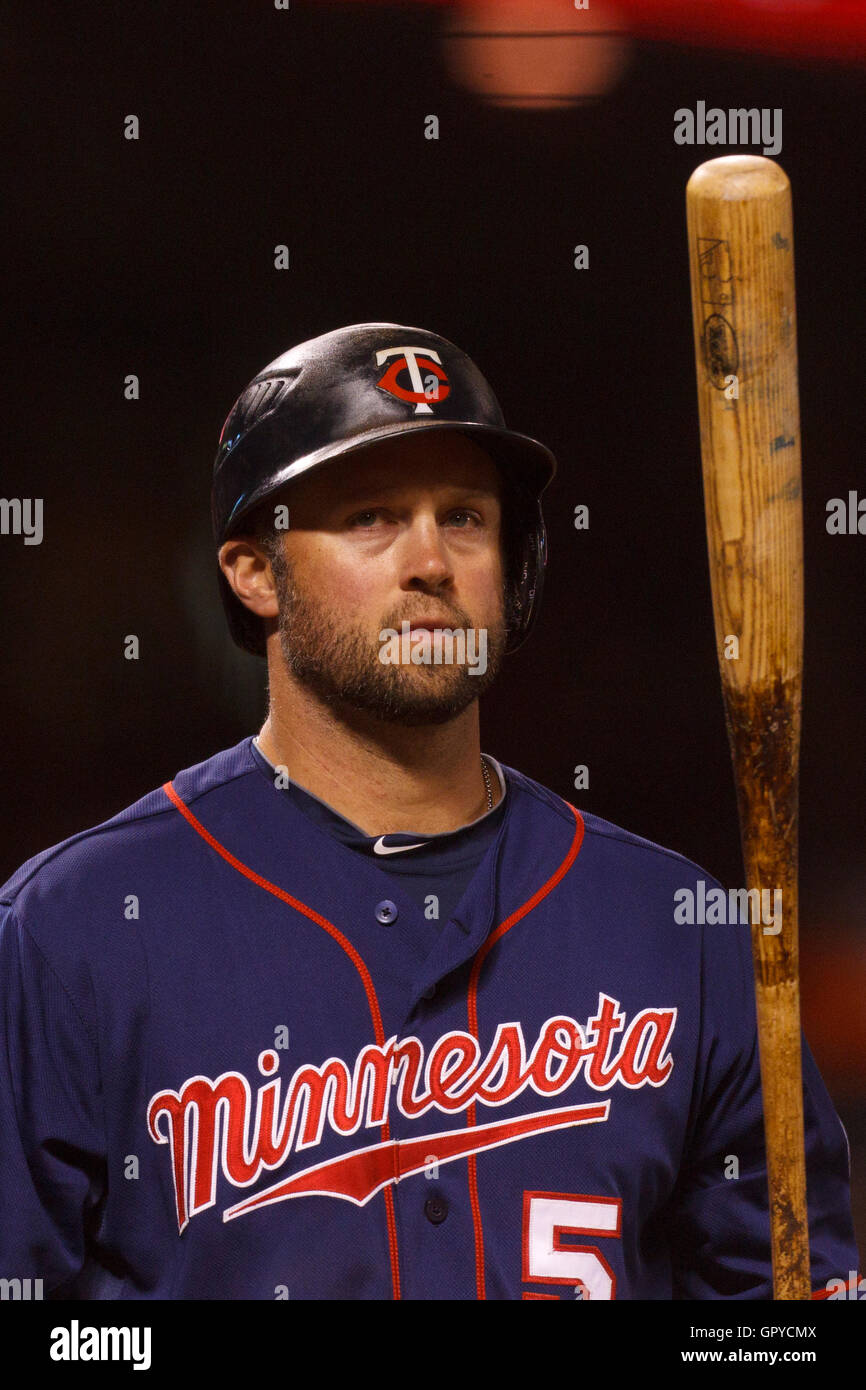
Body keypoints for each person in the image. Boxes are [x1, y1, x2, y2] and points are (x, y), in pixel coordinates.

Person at [0, 323, 859, 1300]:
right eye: (370, 516)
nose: (430, 561)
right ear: (251, 569)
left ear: (515, 567)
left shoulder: (678, 929)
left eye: (464, 517)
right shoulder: (76, 931)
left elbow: (777, 1305)